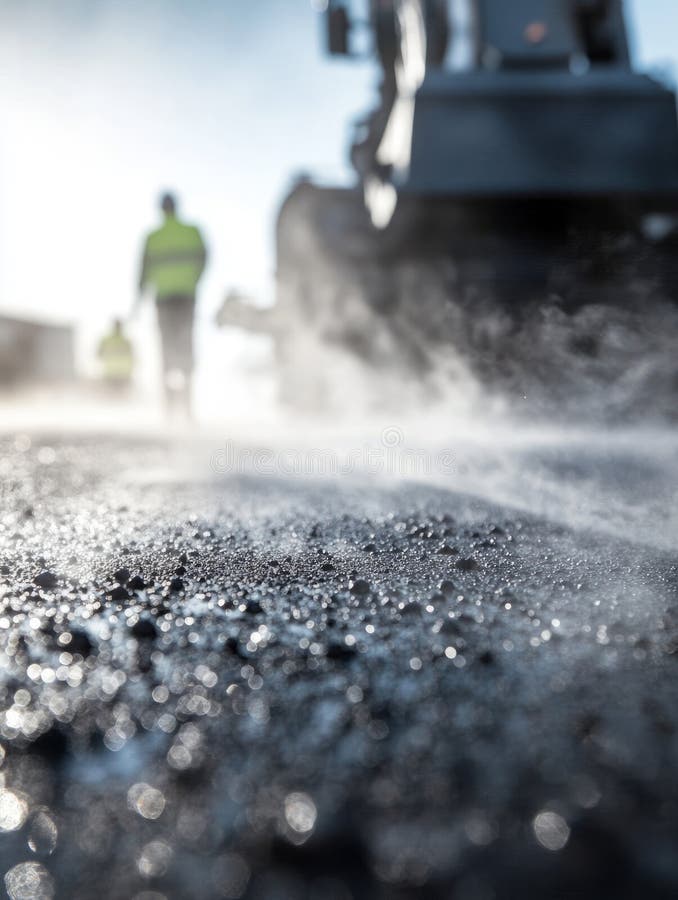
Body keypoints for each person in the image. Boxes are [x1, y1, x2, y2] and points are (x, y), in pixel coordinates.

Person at [136, 192, 207, 418]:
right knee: (185, 350)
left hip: (164, 299)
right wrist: (195, 280)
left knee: (166, 352)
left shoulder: (153, 237)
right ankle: (188, 407)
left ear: (161, 209)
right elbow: (204, 258)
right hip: (186, 298)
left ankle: (169, 410)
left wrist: (139, 298)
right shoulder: (192, 232)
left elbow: (143, 271)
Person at [98, 318, 134, 392]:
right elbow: (132, 356)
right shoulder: (126, 341)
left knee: (112, 396)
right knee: (122, 396)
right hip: (123, 373)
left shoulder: (106, 340)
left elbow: (99, 354)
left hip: (112, 372)